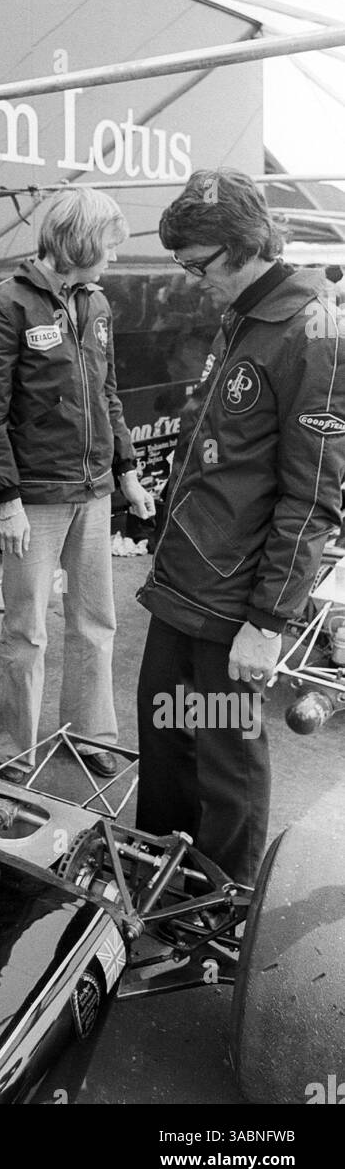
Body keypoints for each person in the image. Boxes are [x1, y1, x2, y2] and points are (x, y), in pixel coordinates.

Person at [136, 168, 345, 885]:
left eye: (198, 266)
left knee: (226, 760)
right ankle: (157, 876)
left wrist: (269, 619)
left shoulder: (312, 328)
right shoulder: (246, 313)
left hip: (235, 601)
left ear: (244, 246)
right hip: (187, 579)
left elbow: (312, 493)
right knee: (166, 737)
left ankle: (221, 908)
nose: (193, 281)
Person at [0, 187, 154, 782]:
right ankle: (8, 748)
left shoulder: (97, 303)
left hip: (95, 491)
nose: (114, 257)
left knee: (95, 621)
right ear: (79, 239)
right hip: (35, 498)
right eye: (108, 244)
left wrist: (126, 472)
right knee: (26, 629)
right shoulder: (5, 304)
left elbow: (107, 393)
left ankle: (91, 736)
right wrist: (7, 500)